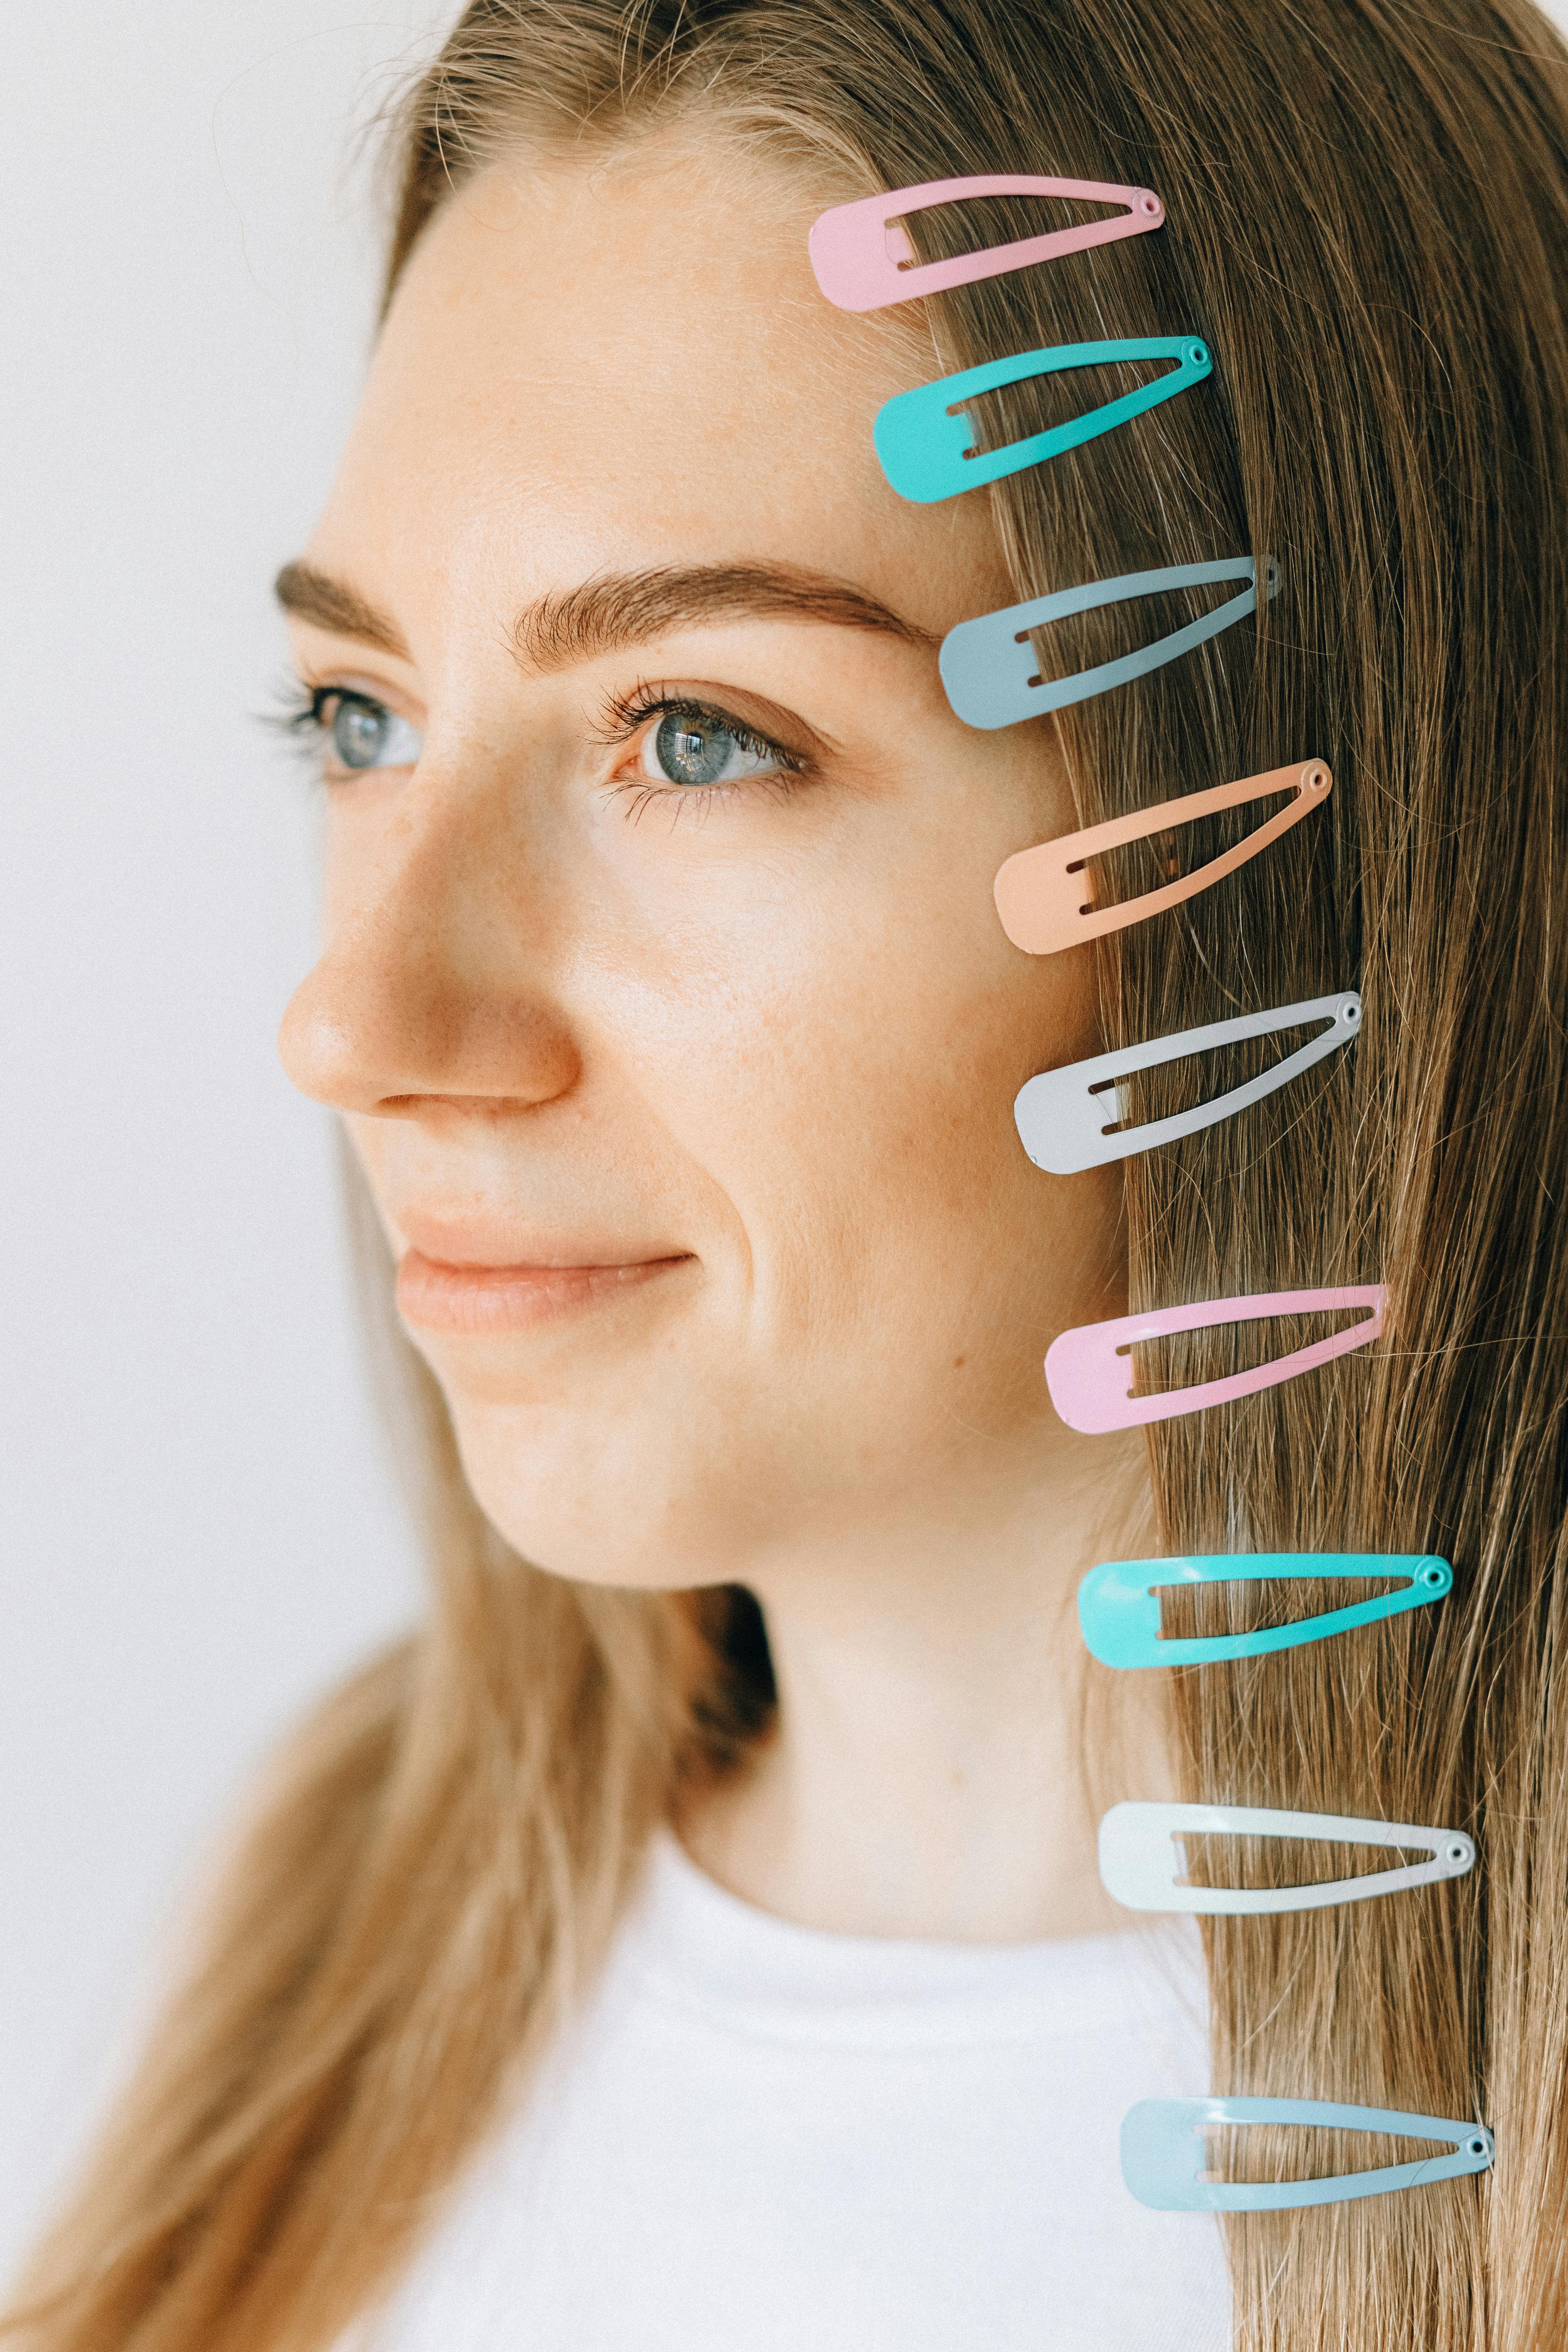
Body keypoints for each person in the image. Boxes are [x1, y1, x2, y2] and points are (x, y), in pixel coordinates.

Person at [8, 0, 1568, 2344]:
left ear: (1319, 834)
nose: (355, 1025)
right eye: (363, 715)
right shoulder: (320, 1950)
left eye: (698, 732)